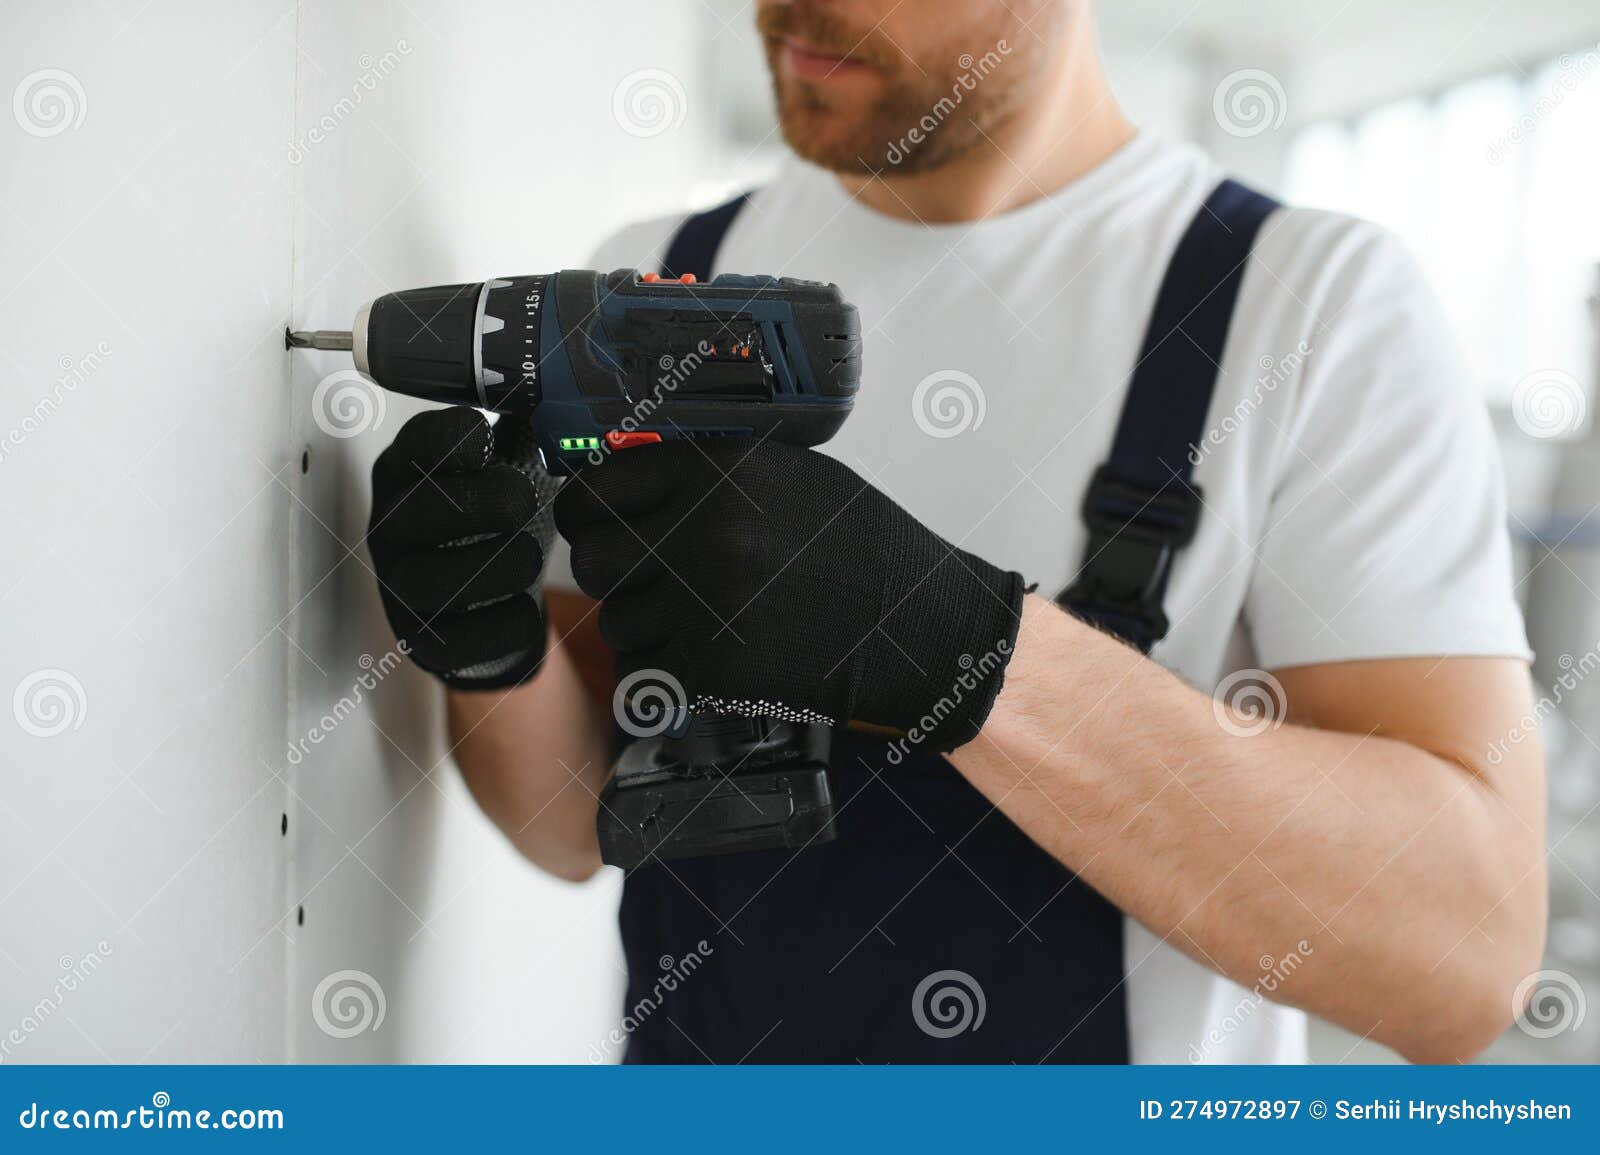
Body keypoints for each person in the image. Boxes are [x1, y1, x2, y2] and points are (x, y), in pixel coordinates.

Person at [364, 0, 1546, 1063]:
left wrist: (957, 651)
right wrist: (489, 654)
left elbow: (1459, 963)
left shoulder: (1311, 308)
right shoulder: (664, 279)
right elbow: (575, 825)